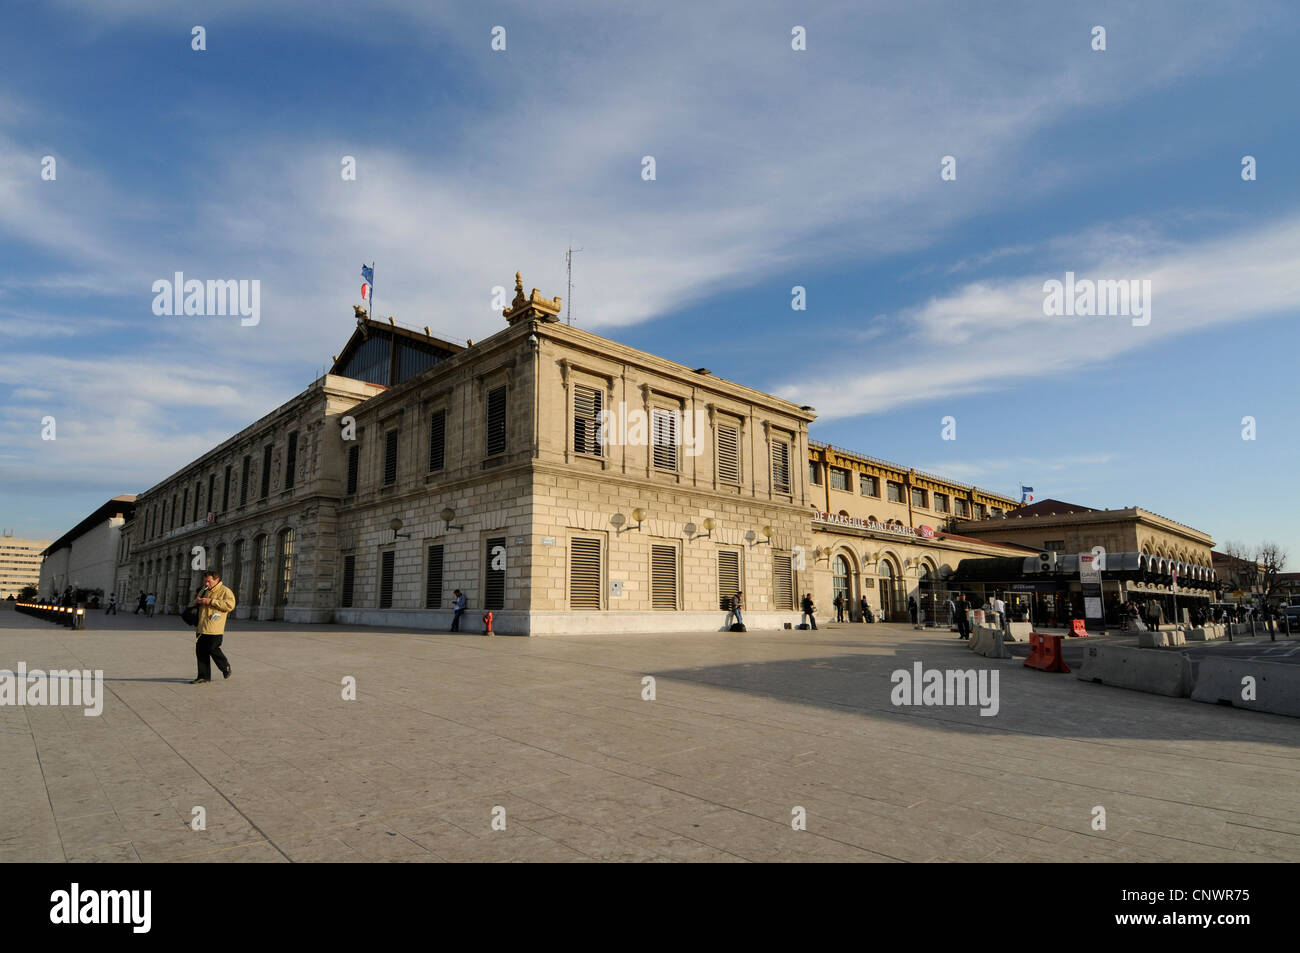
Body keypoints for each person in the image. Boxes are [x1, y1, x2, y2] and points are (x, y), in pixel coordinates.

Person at [191, 569, 236, 684]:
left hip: (214, 627)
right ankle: (203, 676)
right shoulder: (204, 590)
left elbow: (230, 605)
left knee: (213, 648)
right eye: (205, 581)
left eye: (208, 581)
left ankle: (225, 666)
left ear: (217, 580)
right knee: (201, 652)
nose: (206, 584)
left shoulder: (225, 591)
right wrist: (198, 601)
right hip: (201, 627)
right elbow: (195, 602)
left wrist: (211, 601)